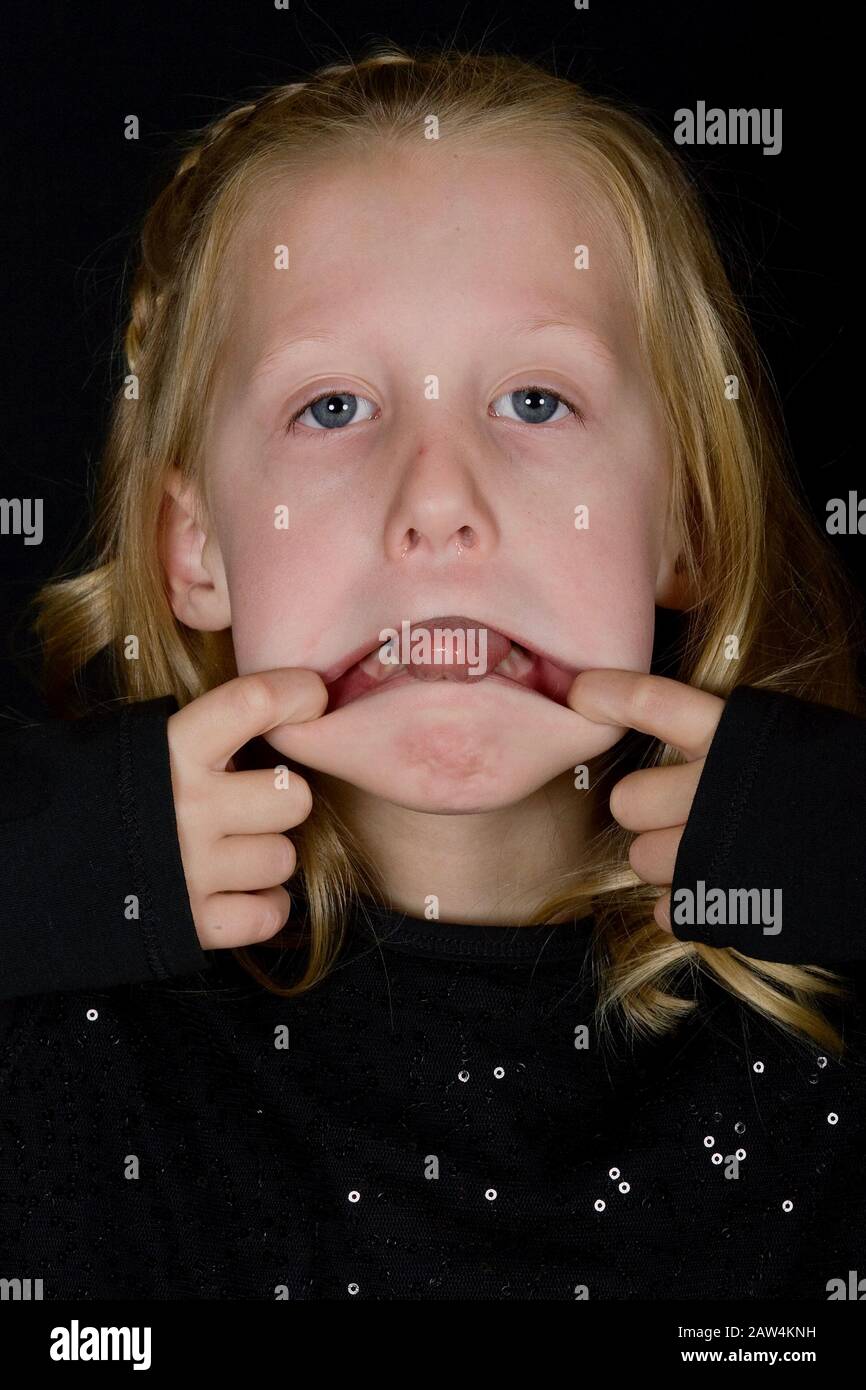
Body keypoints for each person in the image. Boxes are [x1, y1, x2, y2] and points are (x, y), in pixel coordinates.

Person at [1, 43, 864, 1301]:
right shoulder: (59, 1029)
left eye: (532, 400)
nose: (438, 504)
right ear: (195, 550)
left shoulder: (823, 1005)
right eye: (334, 408)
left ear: (680, 516)